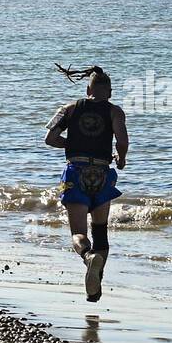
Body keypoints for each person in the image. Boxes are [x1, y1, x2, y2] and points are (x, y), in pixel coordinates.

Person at [45, 63, 128, 303]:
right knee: (101, 232)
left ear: (87, 89)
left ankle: (88, 256)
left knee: (78, 233)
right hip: (102, 173)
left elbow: (49, 139)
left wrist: (71, 145)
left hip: (75, 172)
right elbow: (122, 142)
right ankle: (95, 286)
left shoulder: (69, 108)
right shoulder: (115, 111)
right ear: (109, 92)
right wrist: (120, 160)